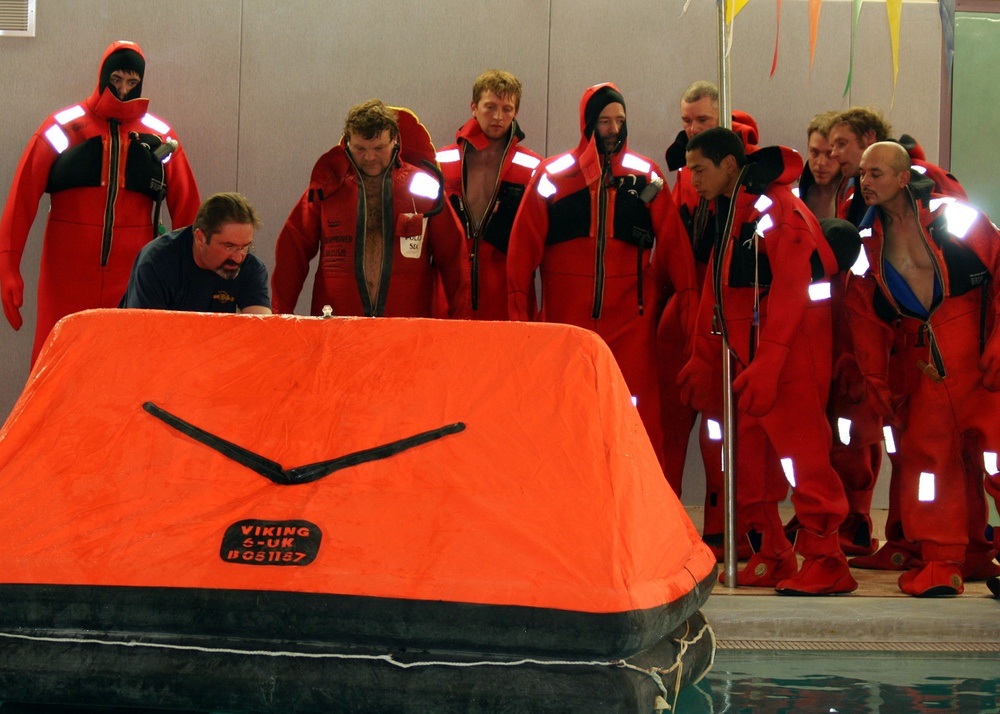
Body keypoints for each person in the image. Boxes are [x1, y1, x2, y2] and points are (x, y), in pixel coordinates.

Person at [677, 127, 856, 594]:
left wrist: (771, 363)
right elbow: (717, 290)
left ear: (729, 166)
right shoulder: (731, 211)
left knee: (802, 457)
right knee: (748, 460)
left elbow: (794, 288)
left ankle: (828, 559)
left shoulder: (778, 211)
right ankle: (772, 552)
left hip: (790, 357)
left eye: (700, 170)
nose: (693, 180)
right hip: (749, 357)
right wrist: (702, 356)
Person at [507, 82, 698, 471]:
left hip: (631, 327)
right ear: (587, 122)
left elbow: (676, 250)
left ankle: (643, 502)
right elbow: (521, 254)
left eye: (620, 120)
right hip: (565, 326)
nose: (613, 129)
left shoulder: (647, 177)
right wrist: (519, 324)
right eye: (605, 120)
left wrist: (690, 314)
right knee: (563, 420)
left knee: (638, 424)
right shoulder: (552, 176)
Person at [844, 141, 1000, 596]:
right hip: (923, 363)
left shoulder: (957, 217)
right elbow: (863, 315)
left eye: (875, 173)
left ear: (902, 177)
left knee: (996, 460)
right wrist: (876, 379)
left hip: (978, 358)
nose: (865, 182)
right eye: (862, 174)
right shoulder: (865, 240)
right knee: (929, 466)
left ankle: (971, 552)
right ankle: (943, 558)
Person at [0, 40, 201, 363]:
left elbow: (189, 210)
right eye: (116, 79)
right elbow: (22, 196)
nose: (123, 89)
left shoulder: (160, 136)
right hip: (66, 270)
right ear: (103, 76)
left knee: (127, 366)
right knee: (58, 364)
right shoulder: (63, 127)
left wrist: (192, 274)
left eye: (133, 81)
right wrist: (8, 265)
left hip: (133, 270)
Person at [659, 80, 763, 559]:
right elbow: (672, 247)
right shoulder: (684, 174)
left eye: (702, 120)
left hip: (731, 319)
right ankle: (665, 525)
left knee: (723, 432)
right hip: (688, 311)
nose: (693, 128)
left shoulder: (748, 174)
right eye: (686, 121)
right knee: (671, 426)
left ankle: (727, 526)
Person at [271, 99, 468, 318]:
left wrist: (460, 323)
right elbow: (292, 252)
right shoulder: (326, 188)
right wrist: (281, 316)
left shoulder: (424, 186)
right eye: (360, 149)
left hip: (407, 325)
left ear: (395, 140)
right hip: (338, 323)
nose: (370, 157)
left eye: (379, 148)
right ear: (347, 143)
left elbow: (454, 259)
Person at [435, 70, 542, 320]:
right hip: (449, 287)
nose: (497, 117)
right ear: (474, 107)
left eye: (507, 109)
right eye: (490, 107)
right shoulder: (440, 162)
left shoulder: (534, 167)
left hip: (508, 292)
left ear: (516, 112)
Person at [120, 192, 270, 314]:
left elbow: (261, 328)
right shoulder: (157, 262)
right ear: (200, 238)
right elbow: (145, 332)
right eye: (228, 246)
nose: (237, 258)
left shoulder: (250, 266)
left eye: (244, 247)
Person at [798, 111, 845, 220]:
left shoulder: (858, 195)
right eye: (815, 152)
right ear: (808, 146)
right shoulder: (793, 190)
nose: (821, 162)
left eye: (830, 154)